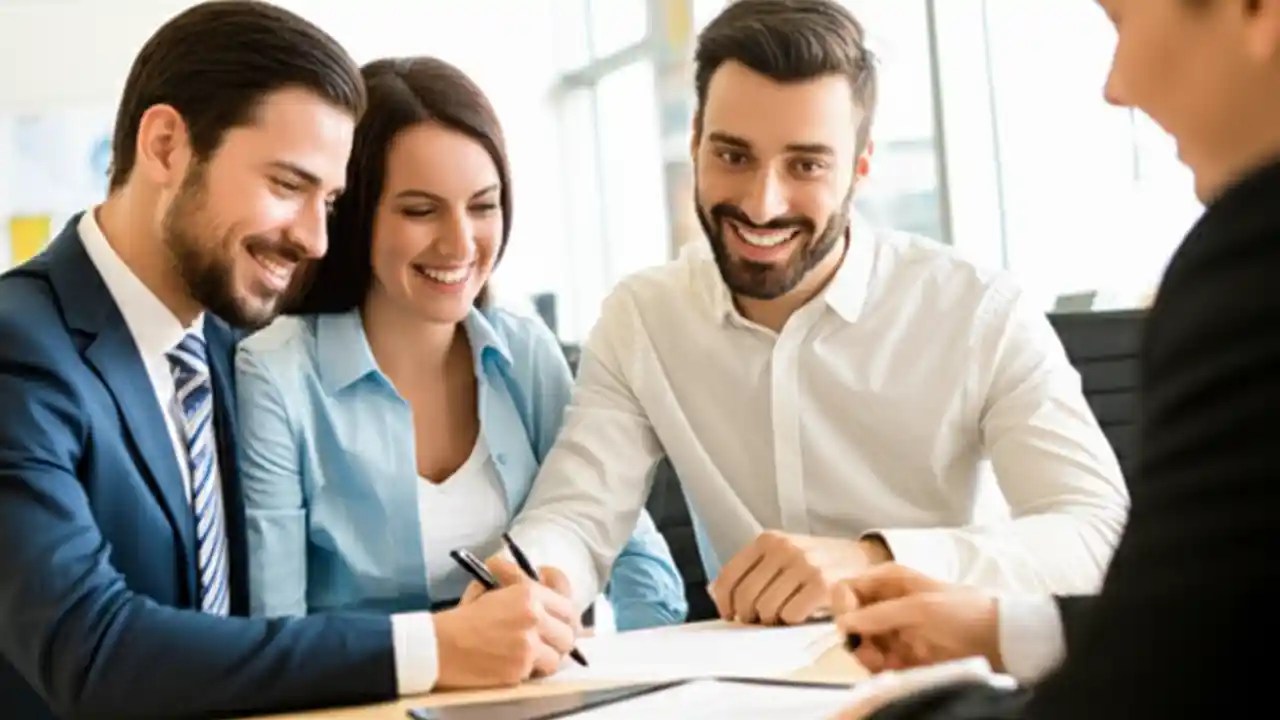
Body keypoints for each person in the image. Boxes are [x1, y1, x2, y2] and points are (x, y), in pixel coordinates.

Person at [0, 4, 575, 718]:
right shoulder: (20, 349)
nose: (315, 238)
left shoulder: (223, 352)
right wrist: (436, 647)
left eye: (329, 201)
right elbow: (90, 649)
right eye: (286, 185)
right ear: (166, 146)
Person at [480, 0, 1129, 628]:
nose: (762, 205)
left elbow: (1098, 536)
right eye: (733, 156)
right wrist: (533, 579)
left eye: (806, 165)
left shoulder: (978, 312)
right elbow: (576, 517)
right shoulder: (643, 319)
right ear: (697, 141)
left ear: (860, 167)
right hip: (746, 691)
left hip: (950, 679)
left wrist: (874, 561)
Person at [831, 0, 1280, 717]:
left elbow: (1157, 691)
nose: (1117, 84)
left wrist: (887, 715)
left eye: (1123, 21)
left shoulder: (1255, 267)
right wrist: (1000, 627)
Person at [234, 55, 687, 674]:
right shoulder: (276, 374)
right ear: (356, 213)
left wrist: (654, 683)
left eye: (482, 205)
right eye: (420, 210)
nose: (459, 242)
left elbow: (637, 562)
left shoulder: (524, 352)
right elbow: (277, 633)